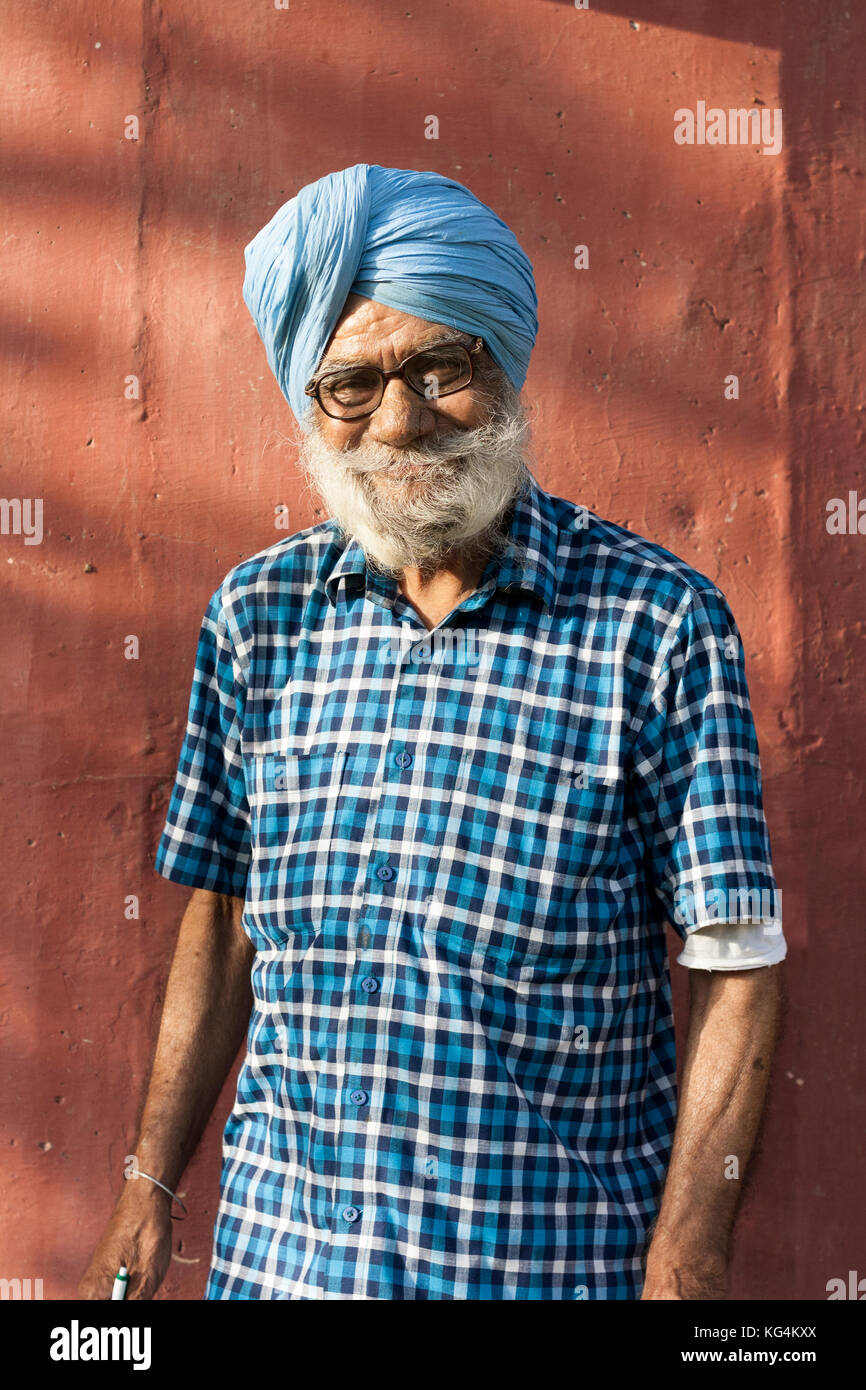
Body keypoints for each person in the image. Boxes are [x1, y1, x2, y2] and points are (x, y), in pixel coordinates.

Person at [79, 164, 785, 1301]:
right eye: (350, 386)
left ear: (499, 361)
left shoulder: (657, 625)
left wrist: (686, 1260)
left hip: (541, 1265)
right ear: (311, 406)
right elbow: (219, 921)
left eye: (437, 367)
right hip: (283, 1265)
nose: (397, 423)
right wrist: (145, 1185)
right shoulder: (258, 618)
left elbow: (734, 962)